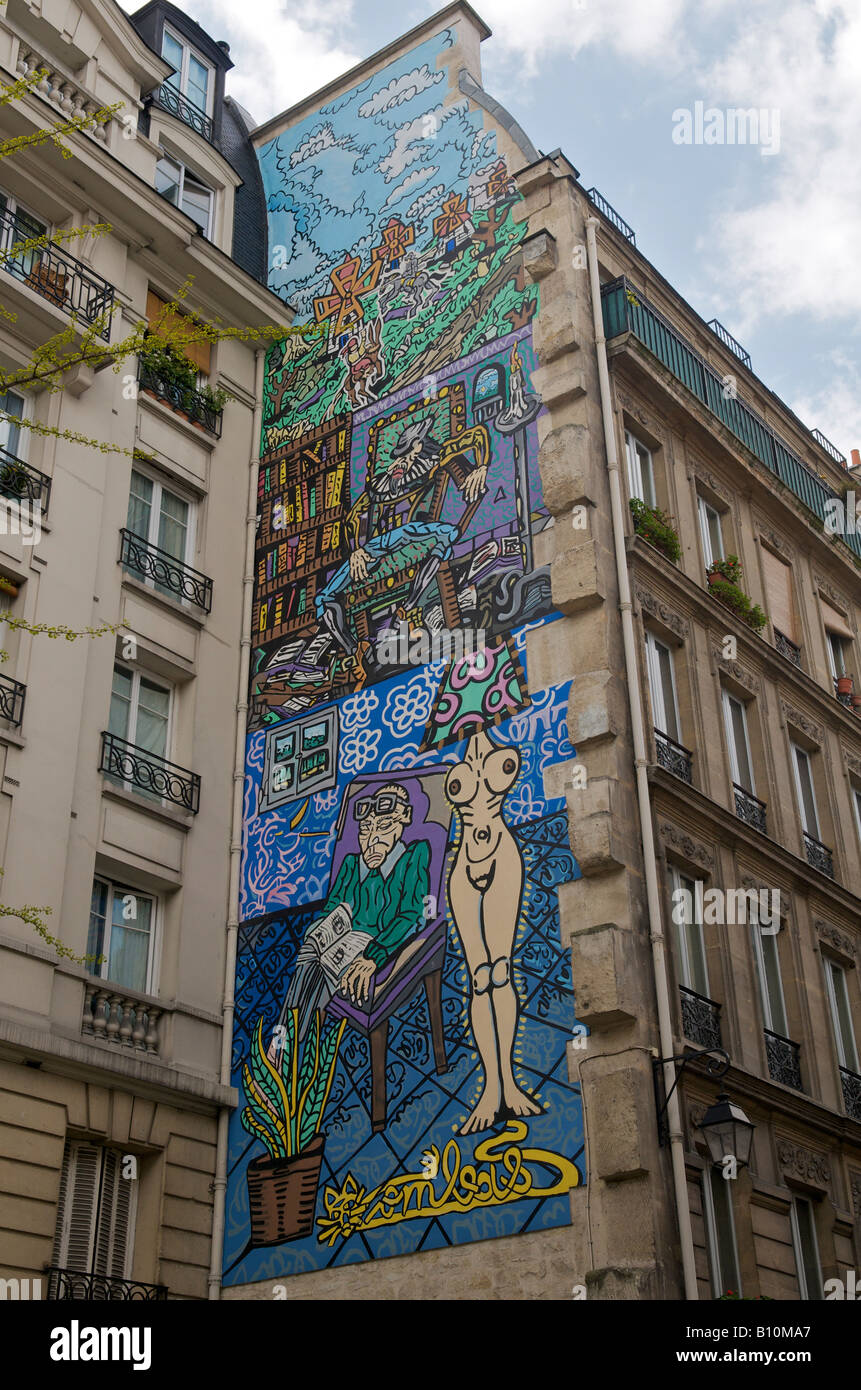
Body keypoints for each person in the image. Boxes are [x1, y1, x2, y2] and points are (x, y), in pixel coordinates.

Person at [274, 782, 431, 1043]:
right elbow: (332, 909)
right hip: (343, 942)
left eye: (383, 828)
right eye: (365, 831)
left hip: (378, 943)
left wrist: (372, 957)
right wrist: (321, 933)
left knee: (324, 975)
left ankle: (296, 1051)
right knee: (308, 960)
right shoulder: (351, 863)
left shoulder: (414, 855)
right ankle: (281, 1045)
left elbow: (414, 914)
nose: (372, 841)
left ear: (402, 822)